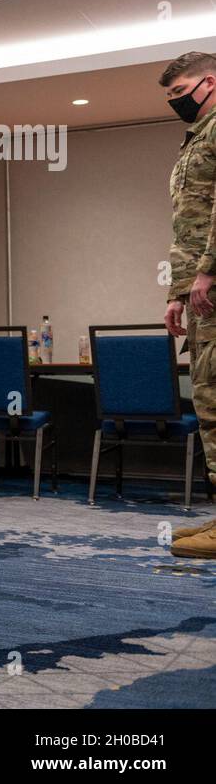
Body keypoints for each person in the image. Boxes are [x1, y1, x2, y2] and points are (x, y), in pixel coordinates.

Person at [161, 52, 216, 559]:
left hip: (214, 287)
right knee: (207, 400)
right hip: (199, 294)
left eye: (181, 93)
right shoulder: (196, 138)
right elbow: (189, 224)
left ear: (209, 82)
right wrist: (177, 293)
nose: (176, 102)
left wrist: (208, 271)